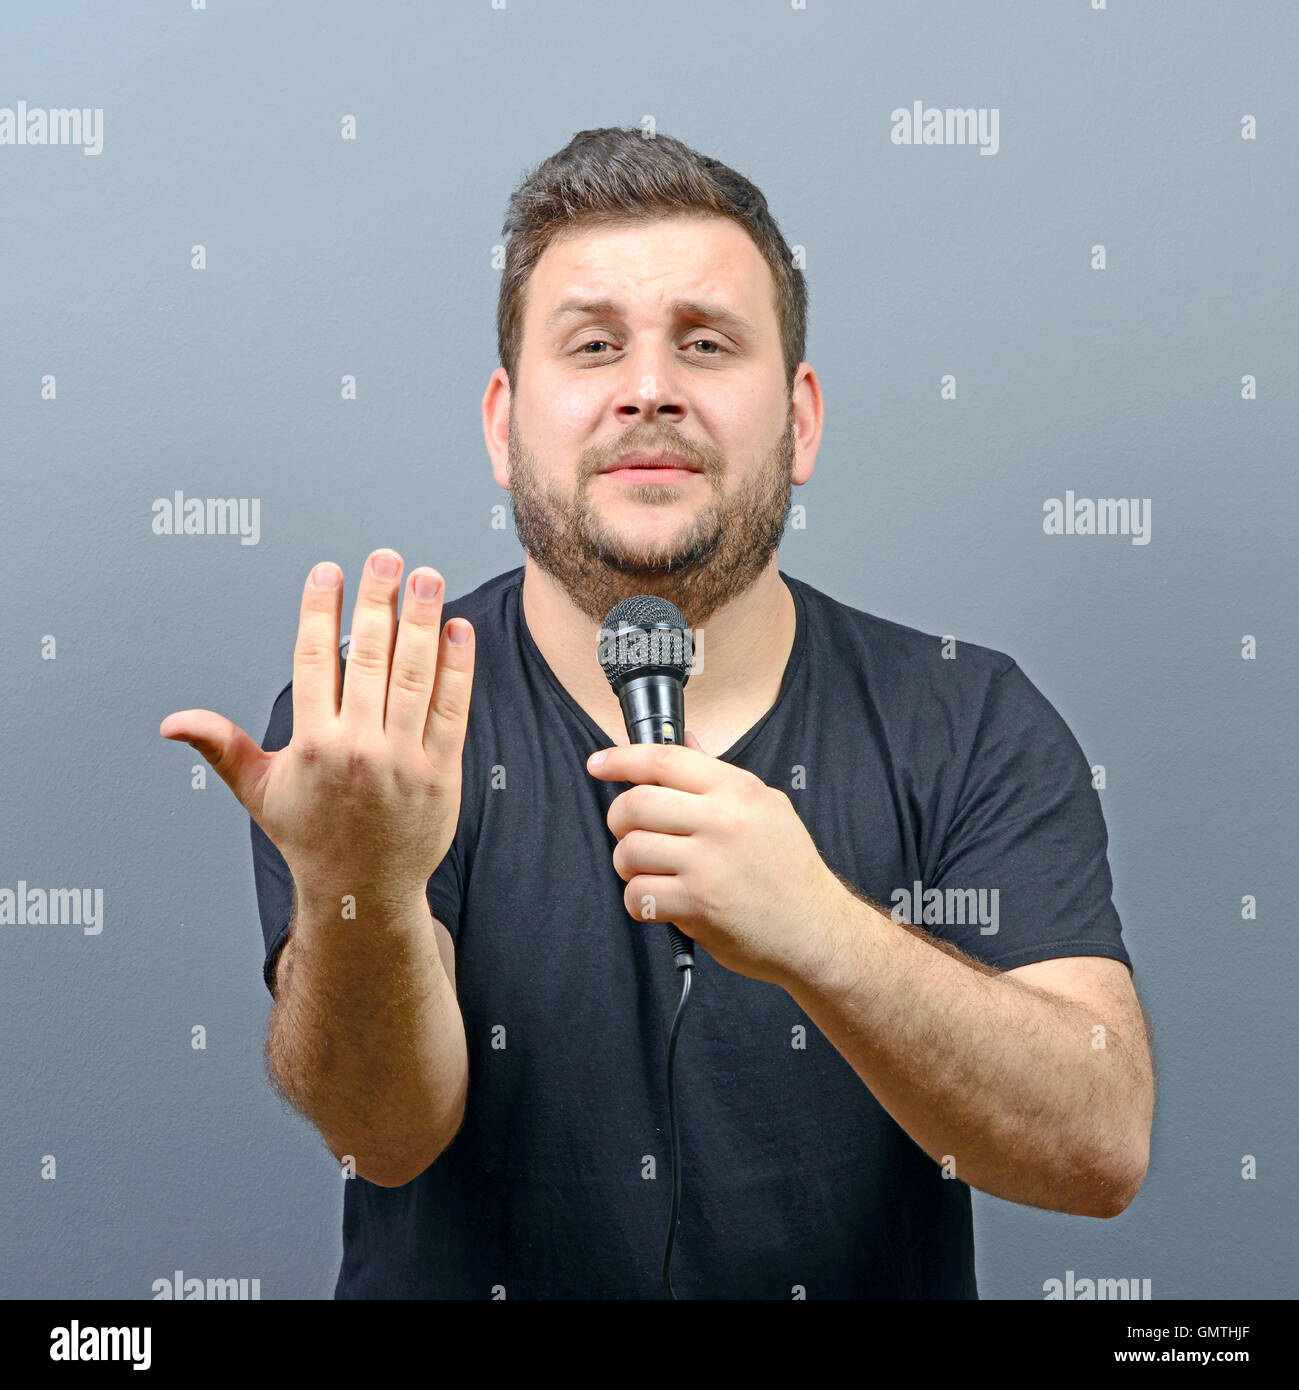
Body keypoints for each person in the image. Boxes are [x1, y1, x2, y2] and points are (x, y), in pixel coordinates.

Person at [159, 127, 1154, 1299]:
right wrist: (362, 888)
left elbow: (1099, 1147)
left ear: (802, 419)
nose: (648, 389)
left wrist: (822, 935)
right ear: (502, 421)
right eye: (592, 347)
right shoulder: (380, 729)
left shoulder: (969, 716)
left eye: (706, 343)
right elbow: (385, 1132)